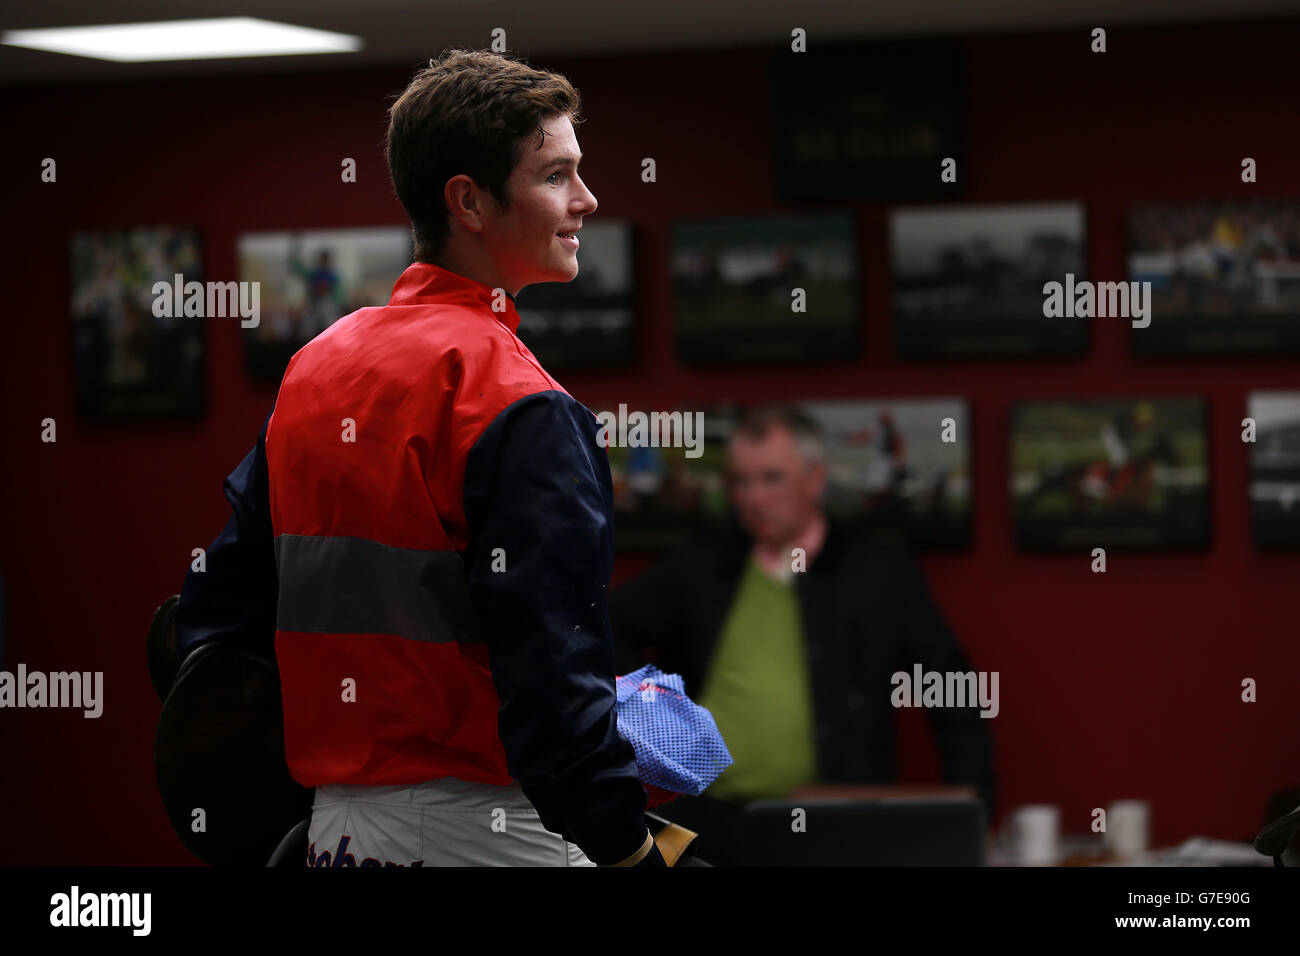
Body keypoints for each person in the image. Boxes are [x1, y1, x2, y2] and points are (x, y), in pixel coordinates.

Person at [175, 48, 663, 867]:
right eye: (556, 175)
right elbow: (552, 683)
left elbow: (213, 620)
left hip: (335, 836)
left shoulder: (316, 367)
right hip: (497, 832)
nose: (587, 199)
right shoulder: (517, 399)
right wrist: (629, 849)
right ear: (469, 202)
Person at [610, 404, 995, 865]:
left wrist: (973, 817)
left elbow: (950, 687)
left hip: (835, 828)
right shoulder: (702, 565)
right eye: (740, 481)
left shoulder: (874, 572)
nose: (752, 498)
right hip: (706, 825)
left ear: (815, 479)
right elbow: (608, 628)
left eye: (771, 478)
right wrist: (656, 717)